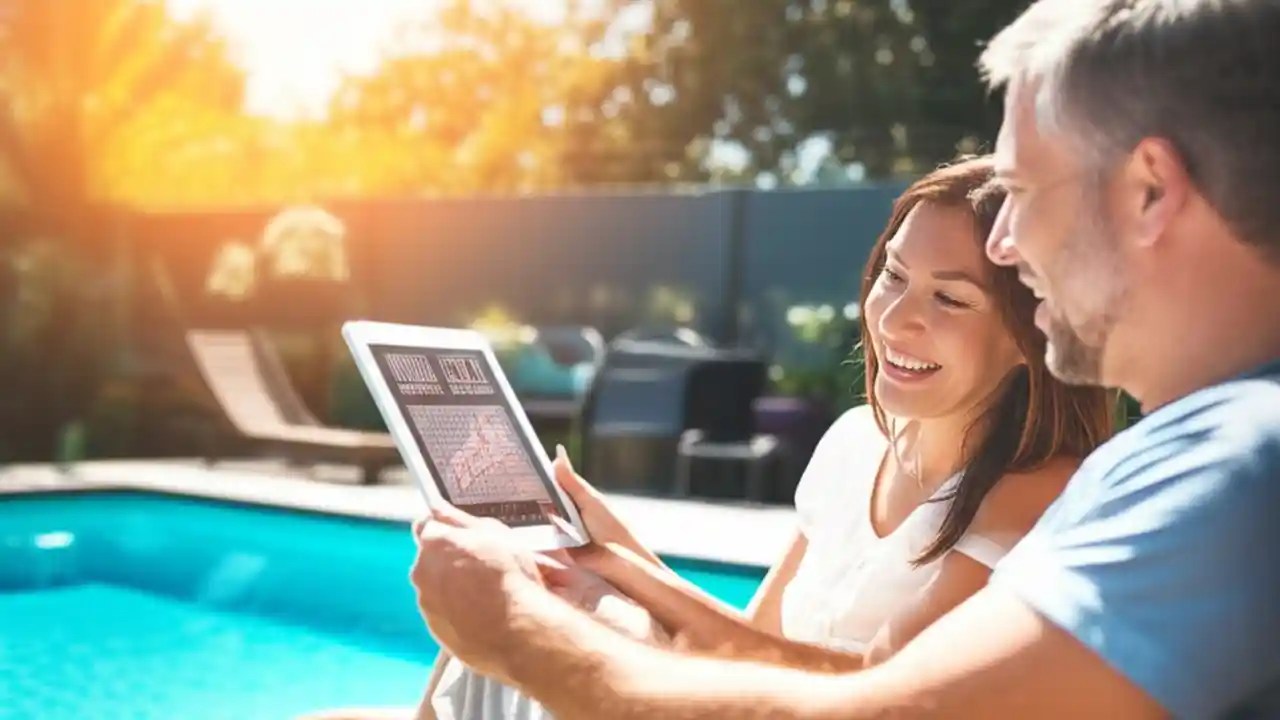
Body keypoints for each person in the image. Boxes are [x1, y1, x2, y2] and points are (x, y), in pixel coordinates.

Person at [410, 0, 1280, 716]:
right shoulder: (1183, 456)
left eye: (1018, 191)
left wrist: (511, 626)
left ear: (1150, 191)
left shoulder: (1237, 467)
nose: (1007, 244)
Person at [414, 156, 1113, 720]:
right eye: (894, 276)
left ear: (1033, 333)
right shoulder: (854, 443)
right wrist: (612, 550)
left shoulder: (1031, 492)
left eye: (950, 298)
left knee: (532, 615)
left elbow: (882, 693)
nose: (897, 319)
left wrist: (617, 577)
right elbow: (758, 643)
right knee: (509, 586)